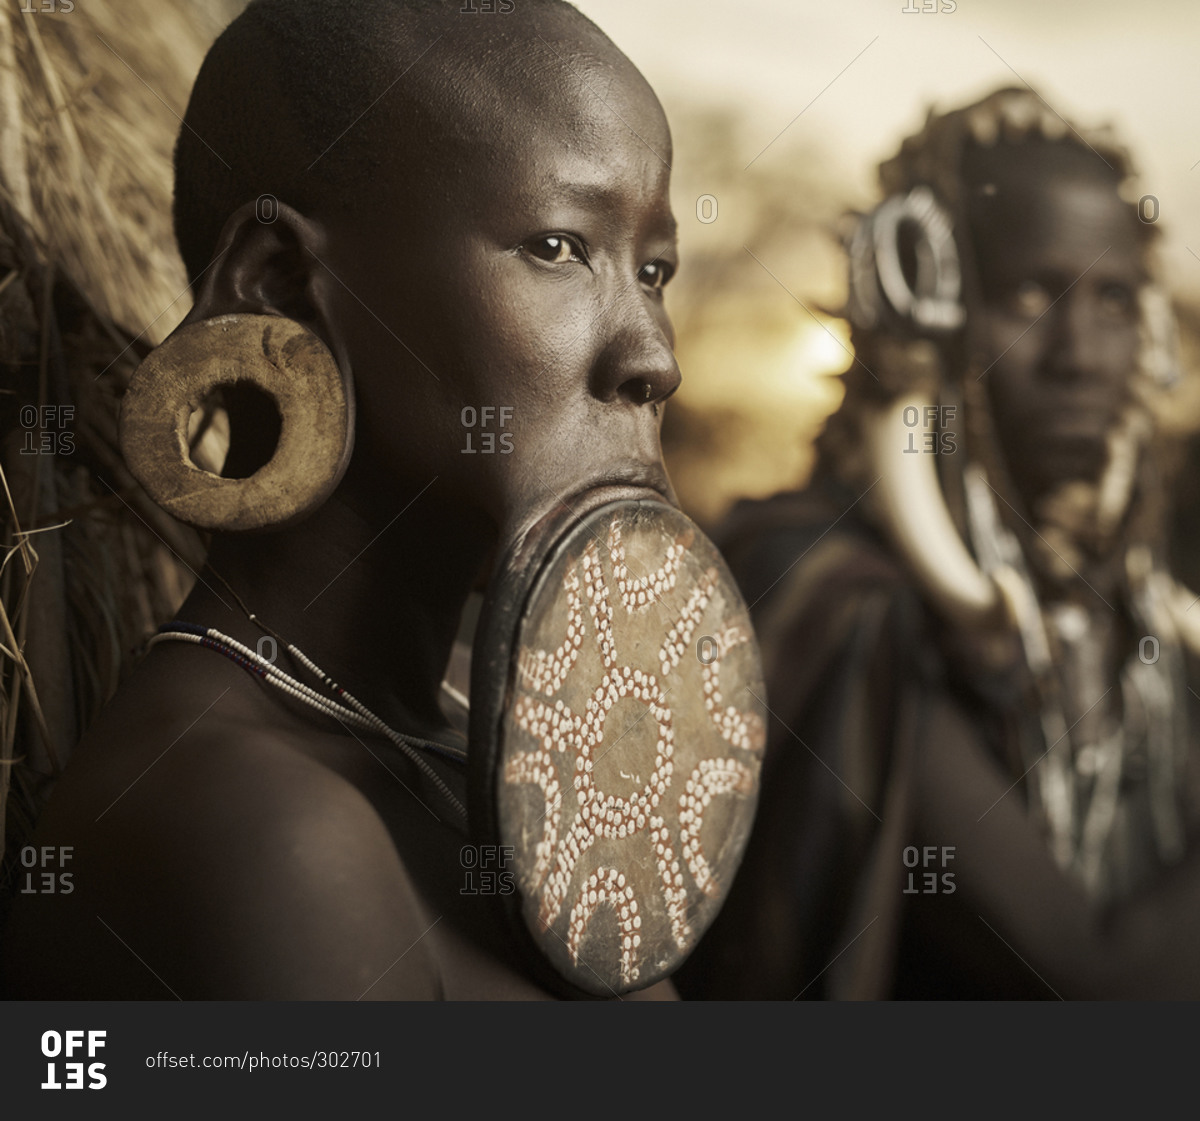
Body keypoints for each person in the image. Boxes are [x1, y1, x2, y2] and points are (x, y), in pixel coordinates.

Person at [675, 87, 1200, 1000]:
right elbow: (1117, 984)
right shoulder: (823, 588)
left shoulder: (1105, 600)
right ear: (924, 315)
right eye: (1028, 293)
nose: (1080, 353)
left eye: (1114, 300)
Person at [3, 0, 690, 999]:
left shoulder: (481, 744)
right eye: (558, 246)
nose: (656, 358)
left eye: (655, 269)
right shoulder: (257, 830)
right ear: (280, 283)